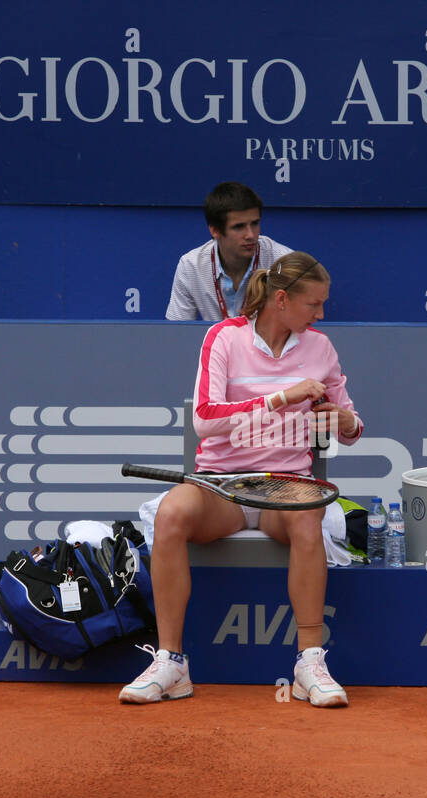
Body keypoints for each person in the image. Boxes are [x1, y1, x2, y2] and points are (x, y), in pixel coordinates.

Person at [123, 252, 363, 706]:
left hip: (286, 485)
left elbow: (350, 423)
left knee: (308, 518)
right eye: (314, 304)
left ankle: (309, 663)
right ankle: (171, 662)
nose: (321, 313)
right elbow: (206, 420)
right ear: (280, 300)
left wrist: (346, 422)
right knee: (172, 513)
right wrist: (281, 397)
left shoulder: (321, 347)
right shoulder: (223, 338)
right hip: (222, 487)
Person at [166, 182, 292, 322]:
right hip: (213, 344)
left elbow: (299, 329)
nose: (250, 235)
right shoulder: (191, 266)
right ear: (215, 230)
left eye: (255, 224)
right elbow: (177, 333)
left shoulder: (283, 262)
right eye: (239, 227)